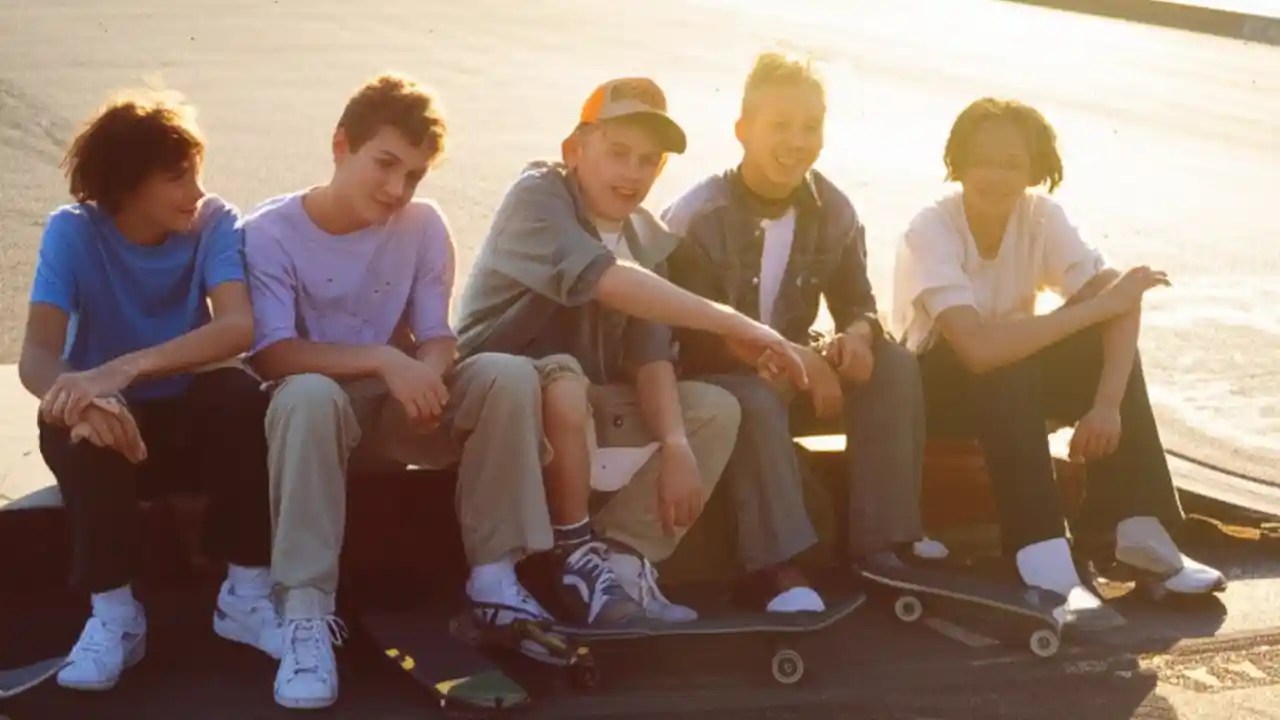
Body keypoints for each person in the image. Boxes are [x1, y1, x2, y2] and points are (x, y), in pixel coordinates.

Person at [244, 74, 556, 710]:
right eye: (384, 164)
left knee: (508, 374)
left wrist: (428, 374)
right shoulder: (268, 232)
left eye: (413, 175)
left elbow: (438, 336)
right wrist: (387, 361)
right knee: (307, 395)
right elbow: (272, 353)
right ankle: (304, 613)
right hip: (312, 418)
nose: (396, 189)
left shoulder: (423, 224)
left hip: (395, 412)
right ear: (341, 145)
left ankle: (495, 579)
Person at [455, 77, 811, 627]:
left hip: (580, 408)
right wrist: (738, 324)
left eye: (648, 161)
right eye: (618, 152)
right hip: (500, 394)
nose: (632, 173)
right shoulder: (538, 196)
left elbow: (650, 358)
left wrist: (676, 445)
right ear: (575, 150)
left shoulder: (649, 238)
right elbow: (607, 279)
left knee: (715, 408)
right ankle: (536, 565)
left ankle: (620, 561)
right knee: (557, 380)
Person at [891, 97, 1226, 626]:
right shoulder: (930, 229)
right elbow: (976, 349)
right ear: (959, 162)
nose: (996, 176)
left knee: (1088, 343)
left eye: (1012, 163)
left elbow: (1118, 294)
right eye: (983, 160)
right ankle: (1040, 547)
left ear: (1034, 169)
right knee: (1012, 360)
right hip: (934, 391)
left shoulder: (1041, 216)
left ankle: (1138, 527)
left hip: (1012, 385)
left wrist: (1107, 405)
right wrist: (1094, 308)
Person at [662, 52, 946, 613]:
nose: (797, 141)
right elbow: (691, 333)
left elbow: (859, 303)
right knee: (751, 397)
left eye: (810, 127)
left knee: (893, 365)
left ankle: (881, 543)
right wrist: (794, 358)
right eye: (780, 126)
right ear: (743, 130)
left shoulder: (832, 209)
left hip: (792, 373)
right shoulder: (697, 216)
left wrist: (856, 337)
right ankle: (776, 567)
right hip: (713, 379)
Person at [18, 90, 281, 692]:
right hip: (112, 428)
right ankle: (115, 616)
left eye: (196, 171)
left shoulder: (214, 221)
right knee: (75, 422)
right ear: (126, 184)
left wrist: (123, 370)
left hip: (189, 421)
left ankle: (245, 596)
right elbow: (37, 354)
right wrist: (86, 399)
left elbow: (237, 327)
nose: (196, 190)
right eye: (176, 177)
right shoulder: (72, 232)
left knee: (241, 398)